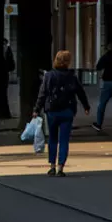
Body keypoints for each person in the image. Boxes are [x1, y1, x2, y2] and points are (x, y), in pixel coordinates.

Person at [34, 49, 91, 177]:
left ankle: (52, 166)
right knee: (64, 139)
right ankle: (61, 167)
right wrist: (86, 106)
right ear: (68, 62)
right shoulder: (72, 77)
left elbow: (42, 94)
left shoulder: (49, 76)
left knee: (53, 139)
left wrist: (37, 109)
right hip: (67, 110)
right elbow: (80, 92)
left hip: (52, 111)